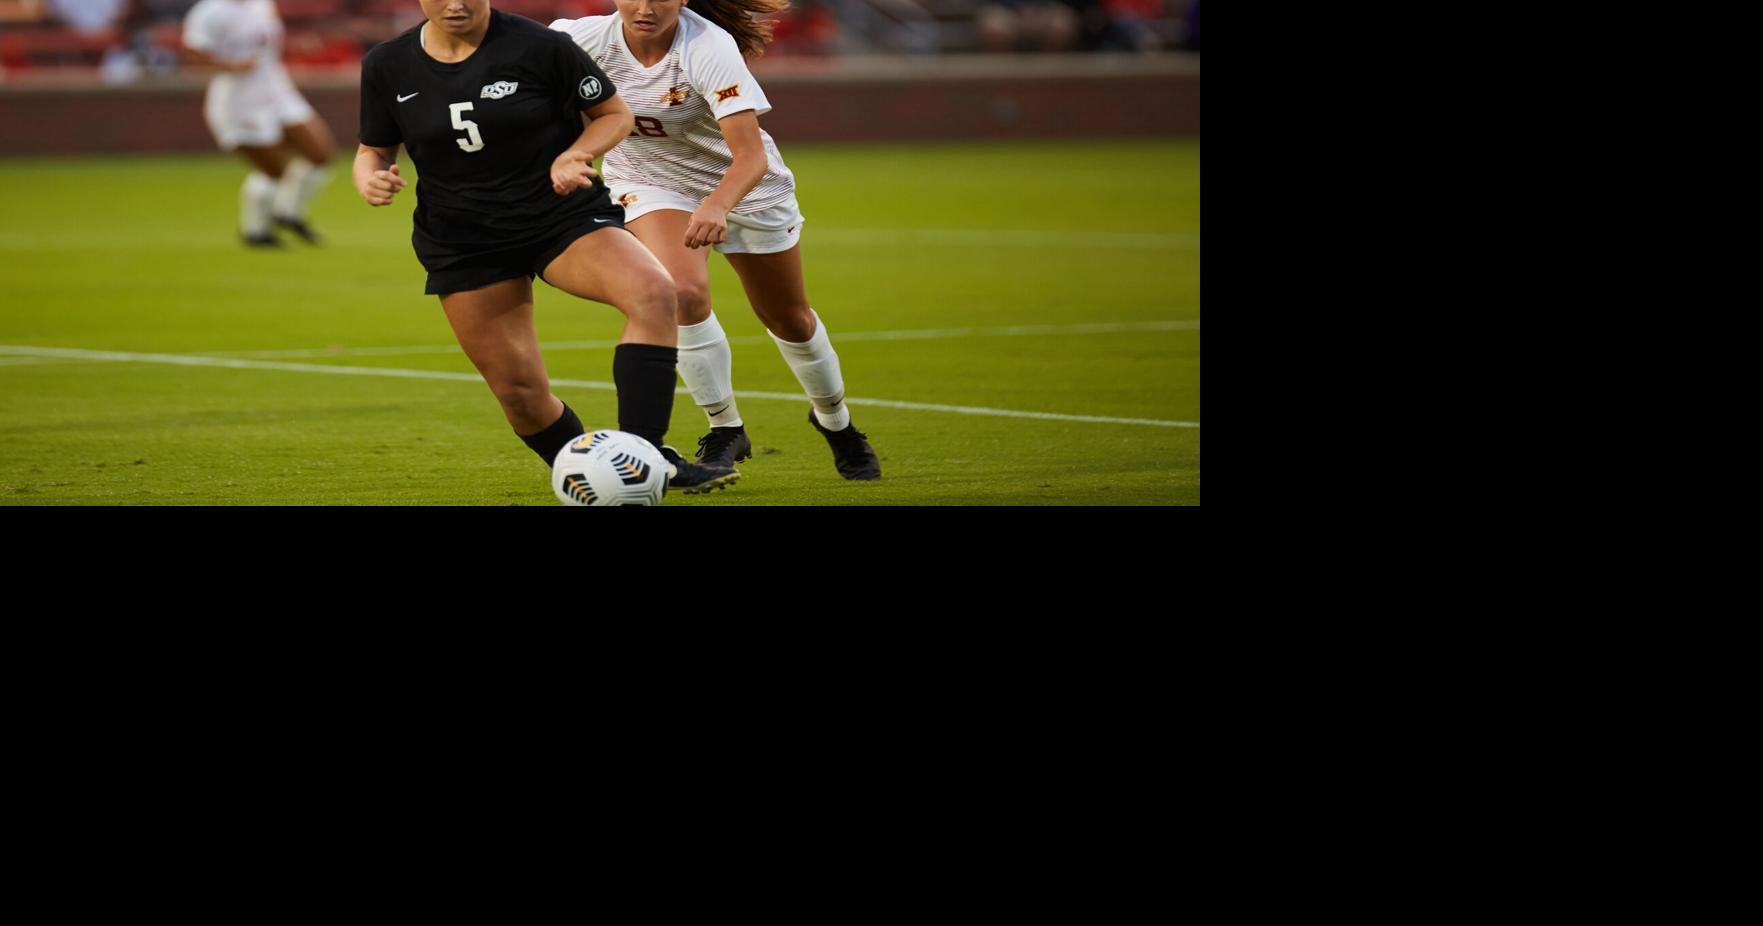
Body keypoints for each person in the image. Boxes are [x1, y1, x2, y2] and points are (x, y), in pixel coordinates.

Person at [355, 0, 739, 493]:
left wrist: (576, 153)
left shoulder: (541, 45)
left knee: (655, 293)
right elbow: (374, 149)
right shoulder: (387, 63)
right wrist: (369, 179)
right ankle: (599, 476)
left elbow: (614, 115)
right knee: (520, 396)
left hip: (559, 216)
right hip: (464, 239)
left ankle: (644, 457)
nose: (455, 4)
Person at [552, 0, 881, 480]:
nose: (645, 7)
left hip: (743, 186)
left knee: (789, 318)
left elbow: (750, 156)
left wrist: (716, 205)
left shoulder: (707, 46)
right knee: (680, 293)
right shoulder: (579, 39)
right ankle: (725, 427)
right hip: (651, 179)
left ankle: (836, 421)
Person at [181, 0, 334, 247]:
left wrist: (296, 46)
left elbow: (264, 43)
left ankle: (288, 213)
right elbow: (192, 53)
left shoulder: (261, 4)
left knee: (319, 153)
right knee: (273, 169)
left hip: (276, 89)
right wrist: (230, 65)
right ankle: (256, 231)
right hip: (239, 99)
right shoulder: (209, 12)